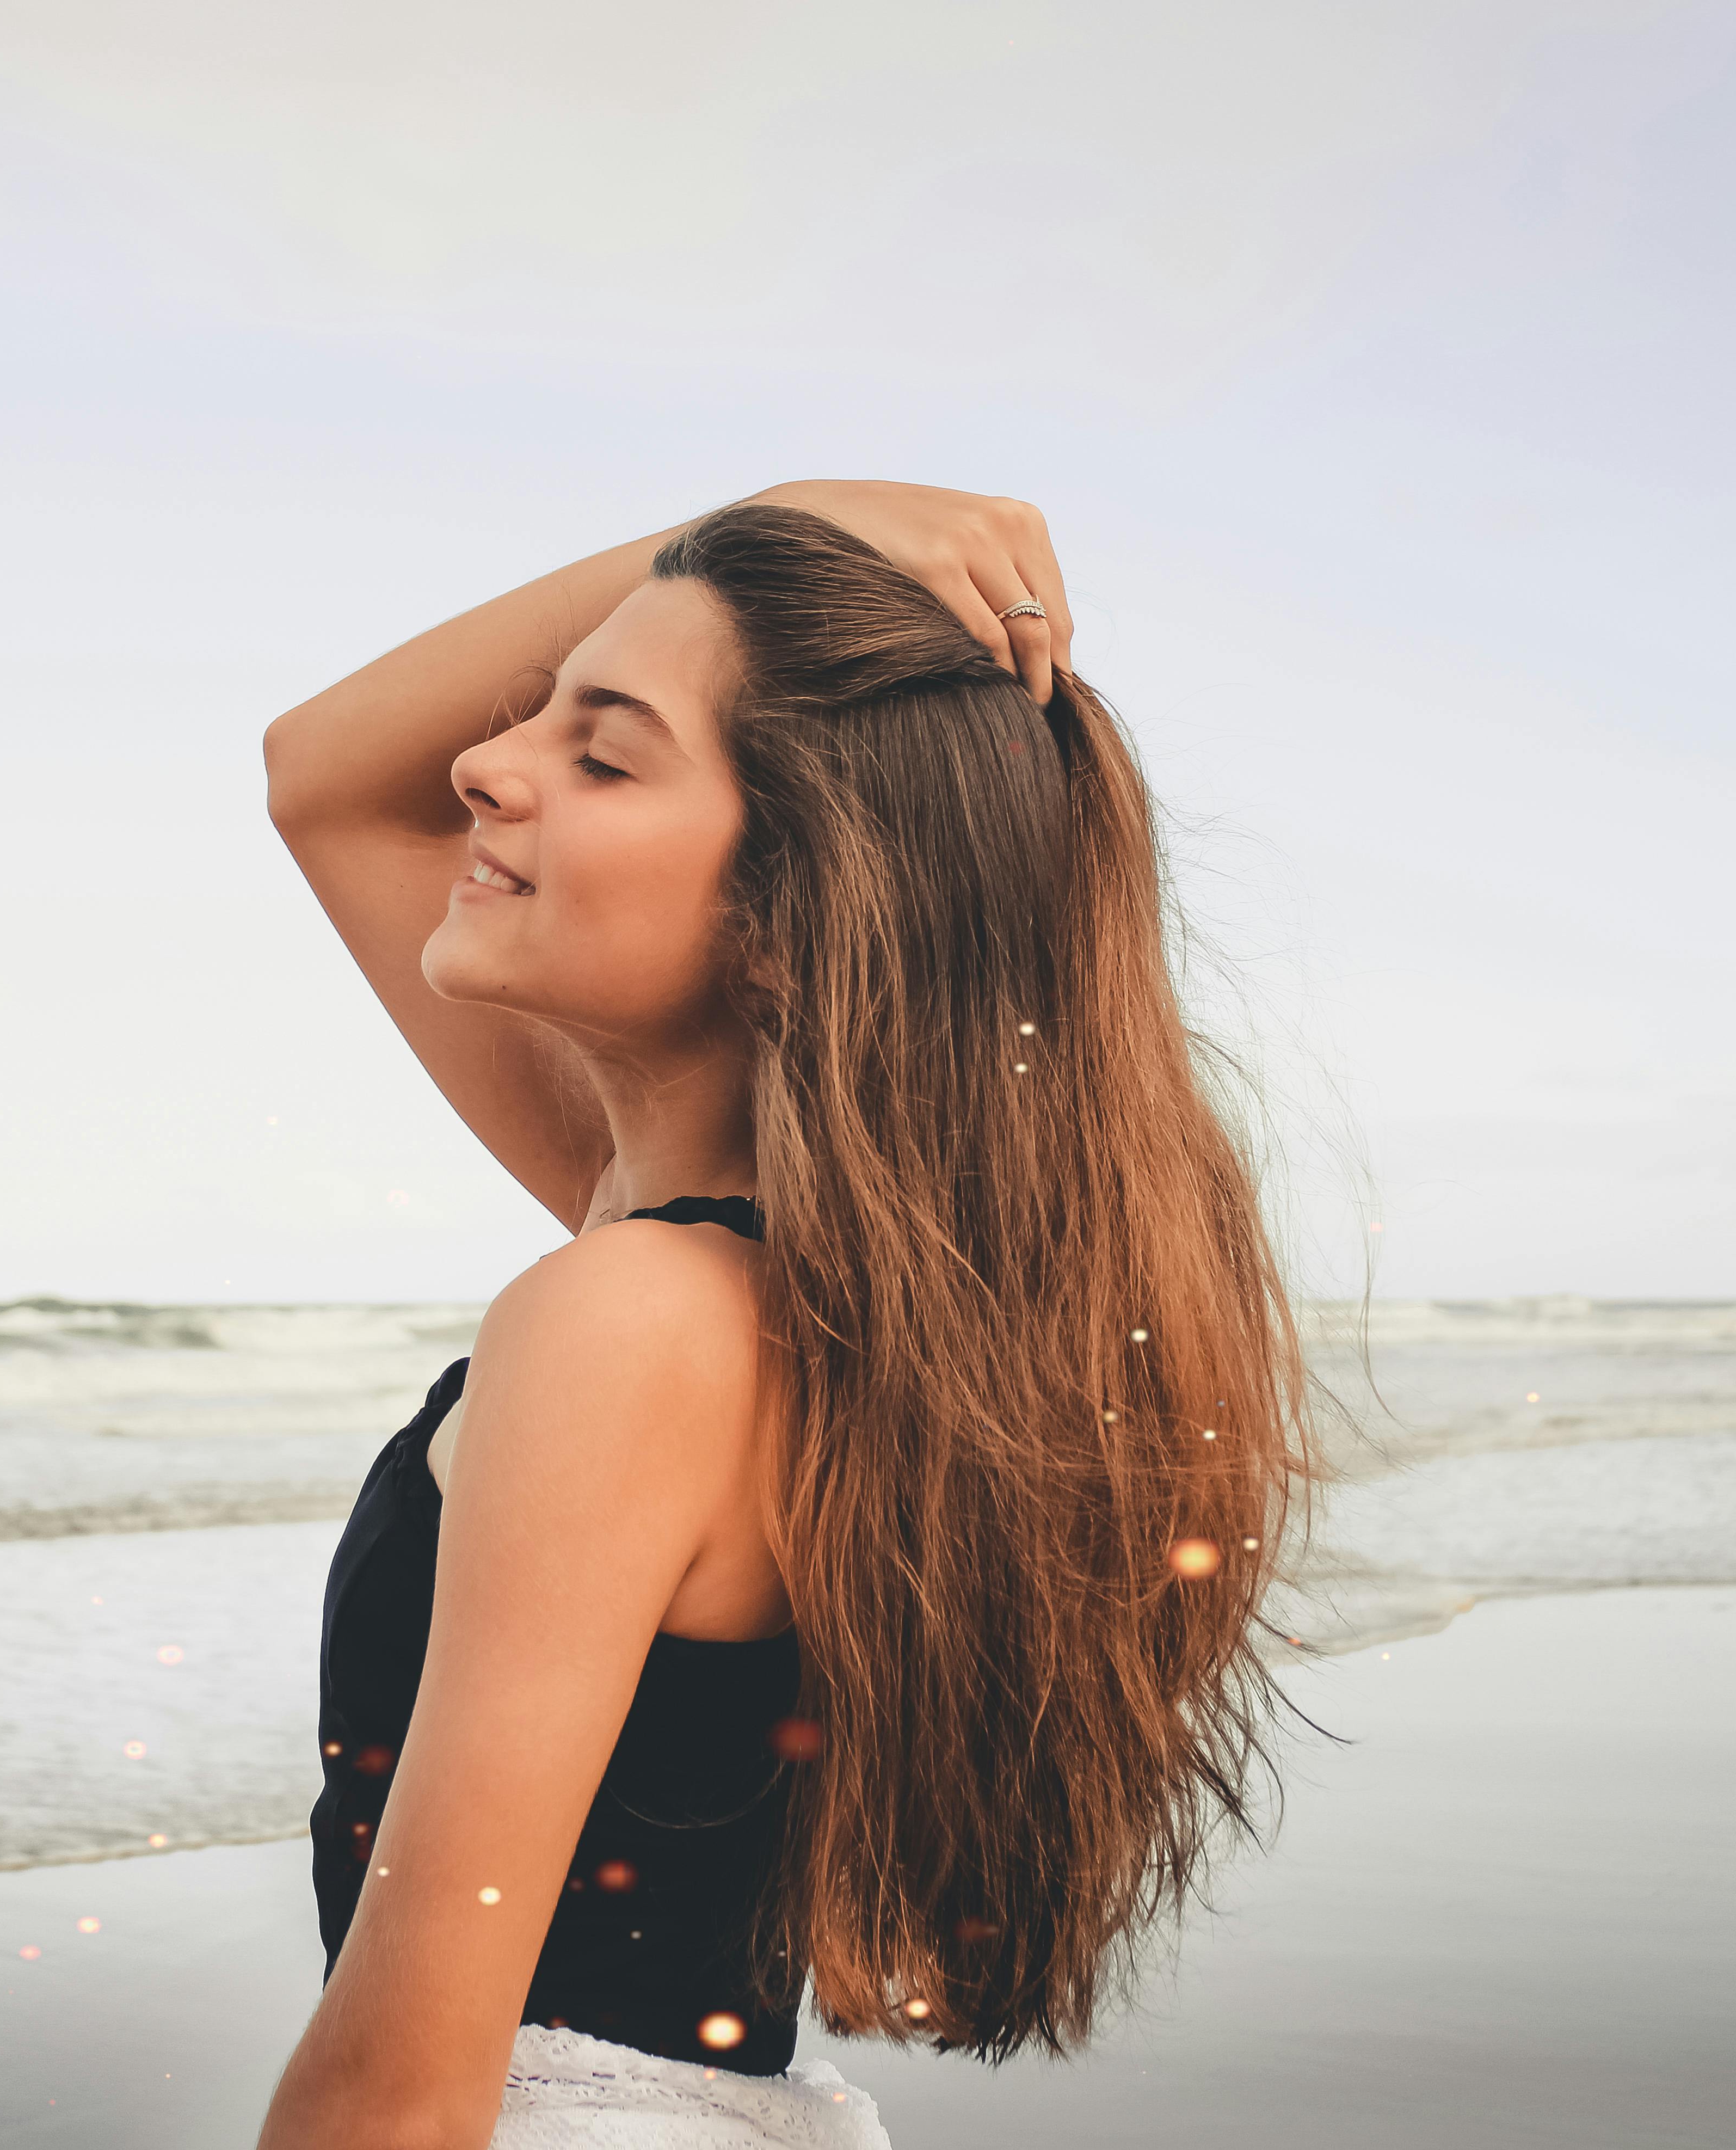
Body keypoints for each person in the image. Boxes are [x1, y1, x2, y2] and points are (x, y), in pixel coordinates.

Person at [254, 483, 1307, 2150]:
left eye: (604, 756)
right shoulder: (814, 1290)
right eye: (543, 715)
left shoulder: (631, 1322)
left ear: (785, 913)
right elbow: (325, 777)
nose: (487, 760)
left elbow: (399, 2083)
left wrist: (758, 527)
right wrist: (770, 527)